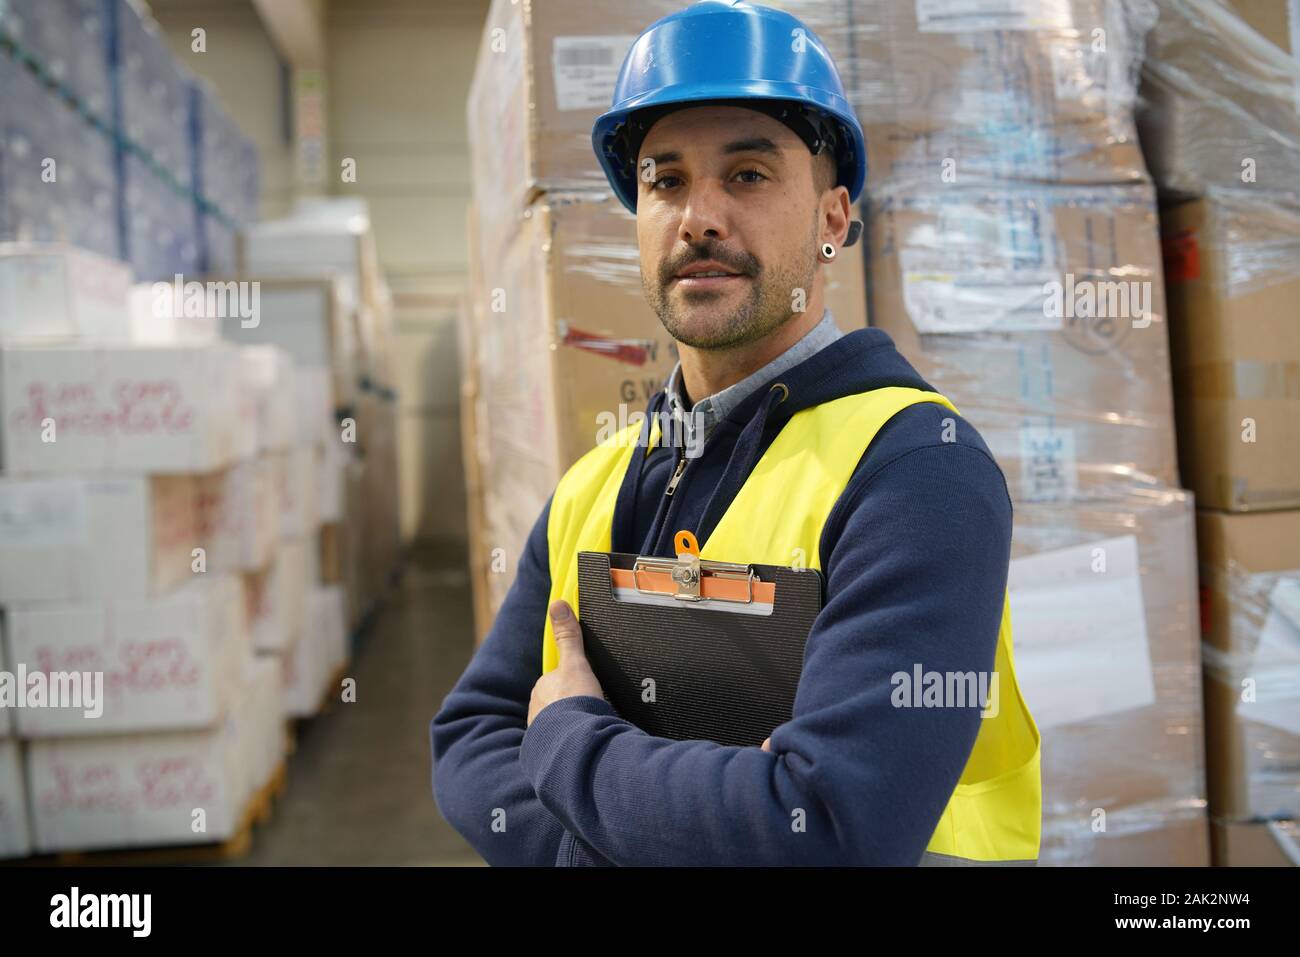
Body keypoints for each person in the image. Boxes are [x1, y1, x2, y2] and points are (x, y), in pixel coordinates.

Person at [432, 0, 1040, 866]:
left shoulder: (917, 472)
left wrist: (568, 739)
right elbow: (469, 735)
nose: (699, 216)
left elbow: (828, 825)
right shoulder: (594, 484)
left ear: (834, 220)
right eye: (665, 180)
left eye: (749, 174)